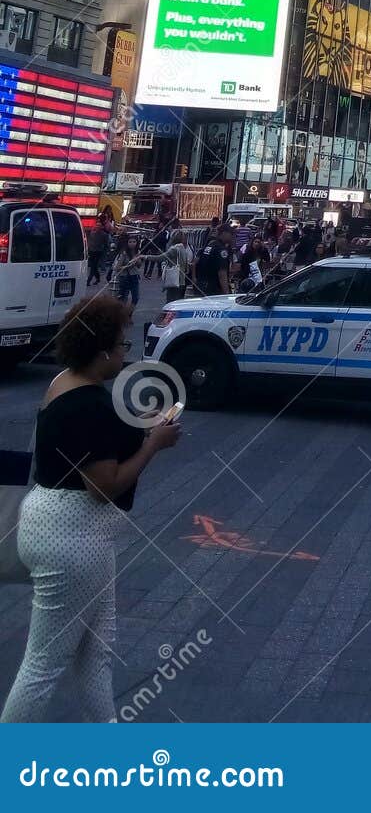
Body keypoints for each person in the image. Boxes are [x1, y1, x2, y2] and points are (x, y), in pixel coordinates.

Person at [0, 296, 183, 722]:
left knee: (97, 652)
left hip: (64, 531)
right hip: (73, 540)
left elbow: (87, 447)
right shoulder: (91, 405)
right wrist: (154, 444)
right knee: (43, 664)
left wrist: (139, 429)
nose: (126, 353)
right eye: (122, 346)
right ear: (101, 351)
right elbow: (105, 486)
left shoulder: (65, 382)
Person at [193, 227, 233, 298]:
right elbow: (222, 273)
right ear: (224, 233)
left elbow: (195, 263)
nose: (232, 237)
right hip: (214, 289)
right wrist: (226, 293)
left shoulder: (208, 246)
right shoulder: (221, 250)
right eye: (231, 234)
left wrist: (194, 279)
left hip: (201, 286)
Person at [109, 234, 142, 313]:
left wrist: (137, 260)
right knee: (123, 298)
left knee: (136, 297)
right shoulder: (124, 253)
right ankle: (121, 315)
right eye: (130, 242)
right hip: (124, 277)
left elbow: (139, 266)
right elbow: (117, 268)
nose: (132, 243)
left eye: (134, 242)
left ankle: (129, 314)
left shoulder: (138, 252)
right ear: (127, 243)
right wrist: (128, 265)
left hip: (134, 277)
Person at [160, 230, 190, 302]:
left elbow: (161, 257)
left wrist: (145, 257)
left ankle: (169, 313)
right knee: (178, 300)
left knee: (171, 301)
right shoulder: (183, 248)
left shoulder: (174, 249)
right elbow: (187, 267)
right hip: (181, 280)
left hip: (174, 279)